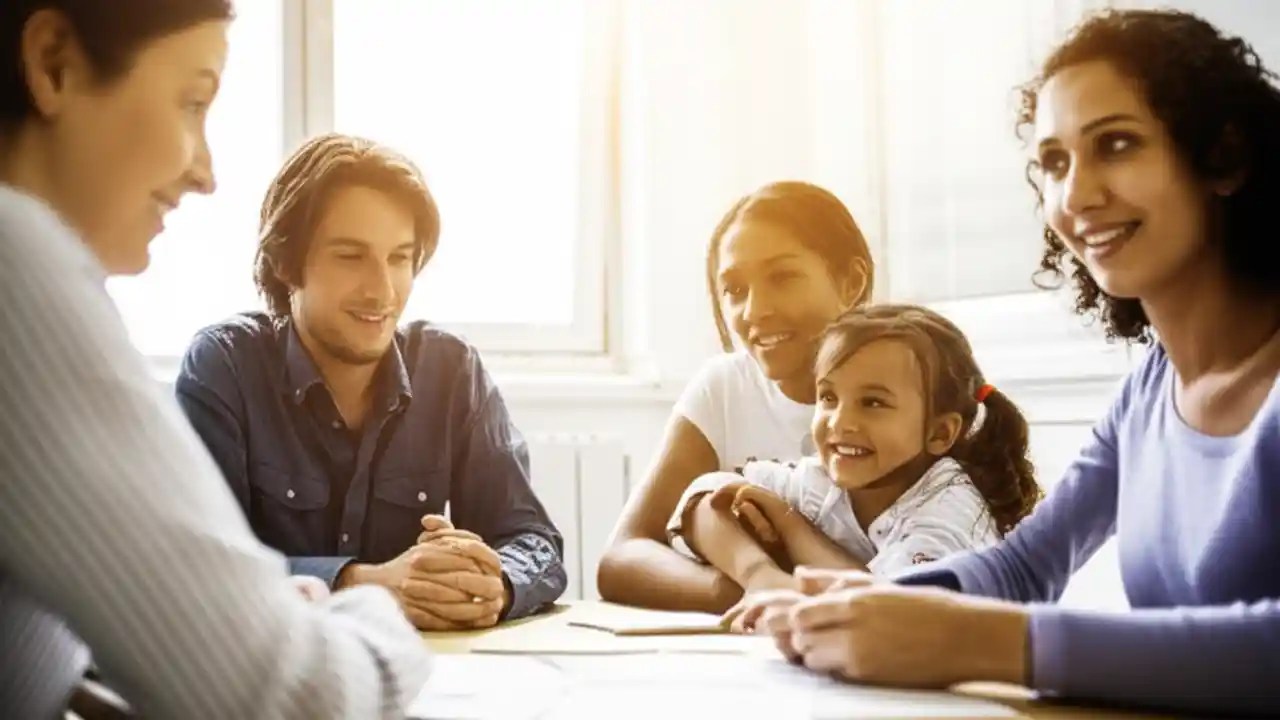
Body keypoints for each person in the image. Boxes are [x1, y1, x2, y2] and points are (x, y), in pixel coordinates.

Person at [742, 9, 1280, 716]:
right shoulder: (1150, 388)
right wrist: (870, 604)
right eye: (1055, 162)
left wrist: (989, 644)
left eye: (1116, 145)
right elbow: (1027, 564)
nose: (1076, 196)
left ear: (1226, 157)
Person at [0, 2, 433, 718]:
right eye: (192, 101)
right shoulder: (17, 267)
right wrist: (372, 609)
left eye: (400, 259)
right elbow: (297, 699)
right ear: (53, 63)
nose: (205, 173)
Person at [175, 132, 567, 630]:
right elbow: (203, 564)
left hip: (430, 671)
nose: (382, 291)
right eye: (350, 256)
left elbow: (534, 541)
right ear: (285, 262)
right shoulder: (223, 367)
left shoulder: (451, 371)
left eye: (399, 258)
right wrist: (367, 583)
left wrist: (496, 583)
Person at [665, 305, 1040, 631]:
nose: (839, 422)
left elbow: (890, 613)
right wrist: (760, 575)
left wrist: (789, 525)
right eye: (828, 397)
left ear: (940, 432)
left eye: (873, 403)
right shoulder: (820, 480)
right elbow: (705, 496)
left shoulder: (951, 509)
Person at [597, 180, 874, 611]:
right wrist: (748, 589)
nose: (755, 310)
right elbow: (622, 556)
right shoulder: (725, 387)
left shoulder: (913, 388)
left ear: (851, 282)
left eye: (783, 278)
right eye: (735, 290)